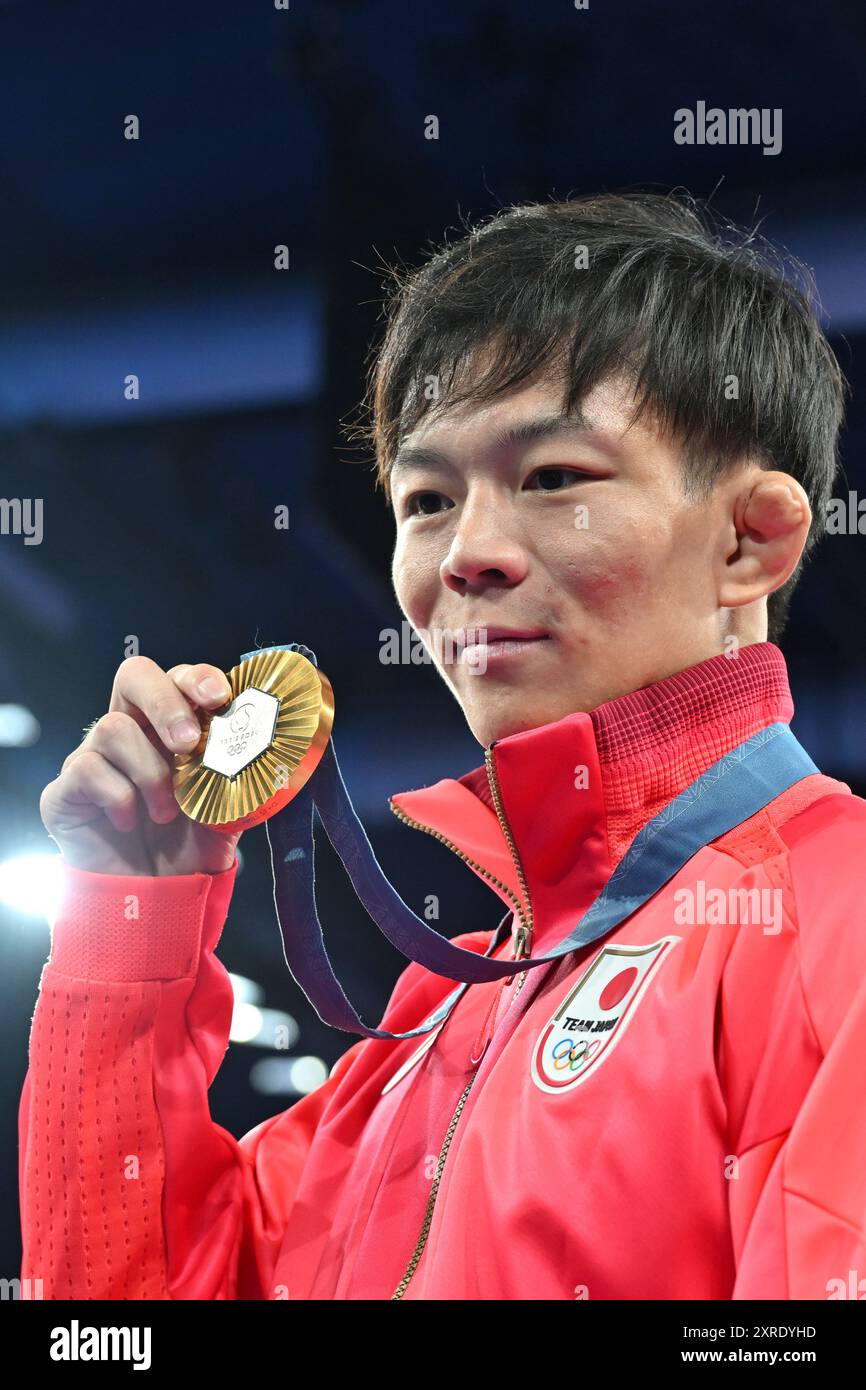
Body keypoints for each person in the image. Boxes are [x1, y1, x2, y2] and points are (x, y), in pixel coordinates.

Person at [20, 192, 866, 1300]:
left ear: (748, 540)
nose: (463, 555)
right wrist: (134, 917)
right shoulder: (430, 1024)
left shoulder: (833, 920)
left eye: (553, 476)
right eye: (425, 499)